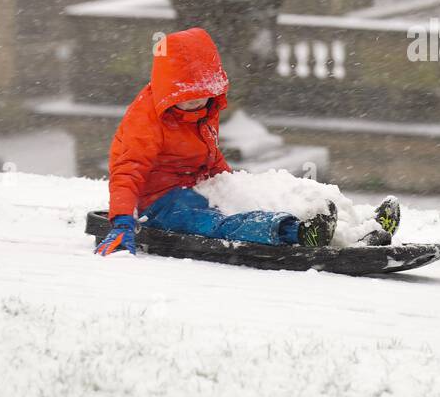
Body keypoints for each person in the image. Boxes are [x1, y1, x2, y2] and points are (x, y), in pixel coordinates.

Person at [95, 27, 399, 256]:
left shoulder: (203, 108)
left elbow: (209, 155)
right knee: (220, 221)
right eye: (187, 98)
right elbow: (126, 170)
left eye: (202, 96)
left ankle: (362, 226)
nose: (196, 104)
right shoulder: (145, 120)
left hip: (204, 184)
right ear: (169, 89)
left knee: (271, 194)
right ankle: (298, 233)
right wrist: (122, 221)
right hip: (162, 202)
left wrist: (233, 184)